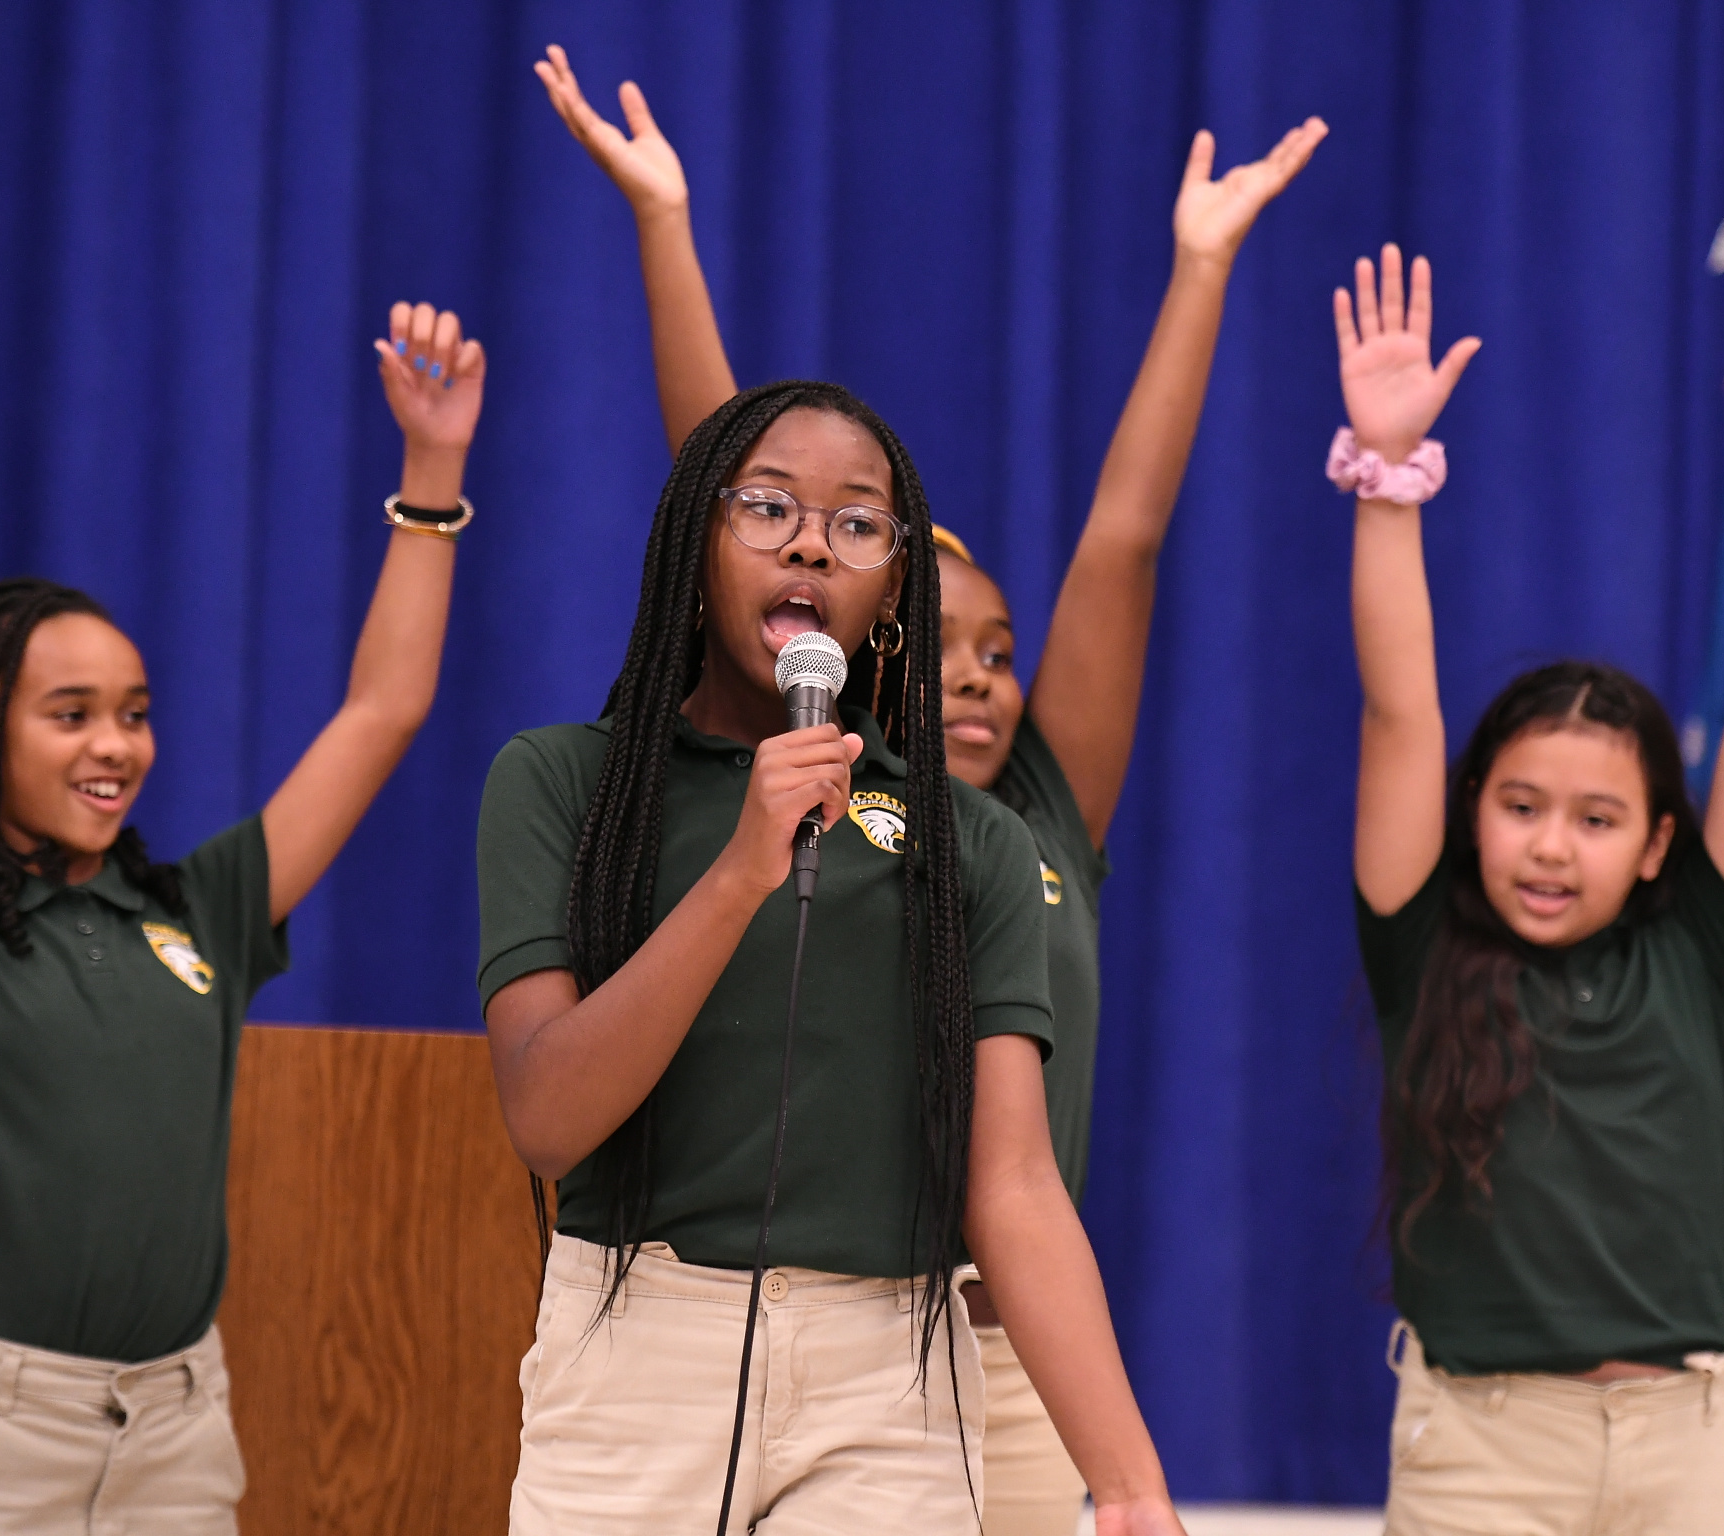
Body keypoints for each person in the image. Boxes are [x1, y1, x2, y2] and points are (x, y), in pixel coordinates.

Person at [532, 46, 1323, 1532]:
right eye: (944, 646)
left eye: (1002, 652)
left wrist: (1202, 266)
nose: (973, 676)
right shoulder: (780, 758)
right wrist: (664, 228)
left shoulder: (1026, 822)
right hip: (780, 1332)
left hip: (1012, 1350)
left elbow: (1125, 539)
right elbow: (736, 487)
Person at [0, 263, 486, 1534]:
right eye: (70, 714)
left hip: (179, 1428)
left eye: (135, 715)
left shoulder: (204, 908)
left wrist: (430, 475)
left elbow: (383, 709)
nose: (117, 747)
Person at [478, 377, 1191, 1534]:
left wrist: (1128, 1482)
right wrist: (739, 874)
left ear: (892, 590)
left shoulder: (978, 846)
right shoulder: (567, 784)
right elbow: (546, 1120)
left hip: (891, 1363)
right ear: (692, 542)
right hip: (637, 1342)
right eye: (767, 508)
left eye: (858, 523)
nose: (811, 542)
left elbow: (1012, 1185)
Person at [1342, 241, 1724, 1534]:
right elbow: (1398, 707)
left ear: (1660, 842)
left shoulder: (1701, 945)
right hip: (1481, 1449)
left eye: (1597, 819)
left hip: (1688, 1439)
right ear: (1471, 813)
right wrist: (1387, 483)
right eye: (1522, 807)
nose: (1552, 847)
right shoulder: (1417, 940)